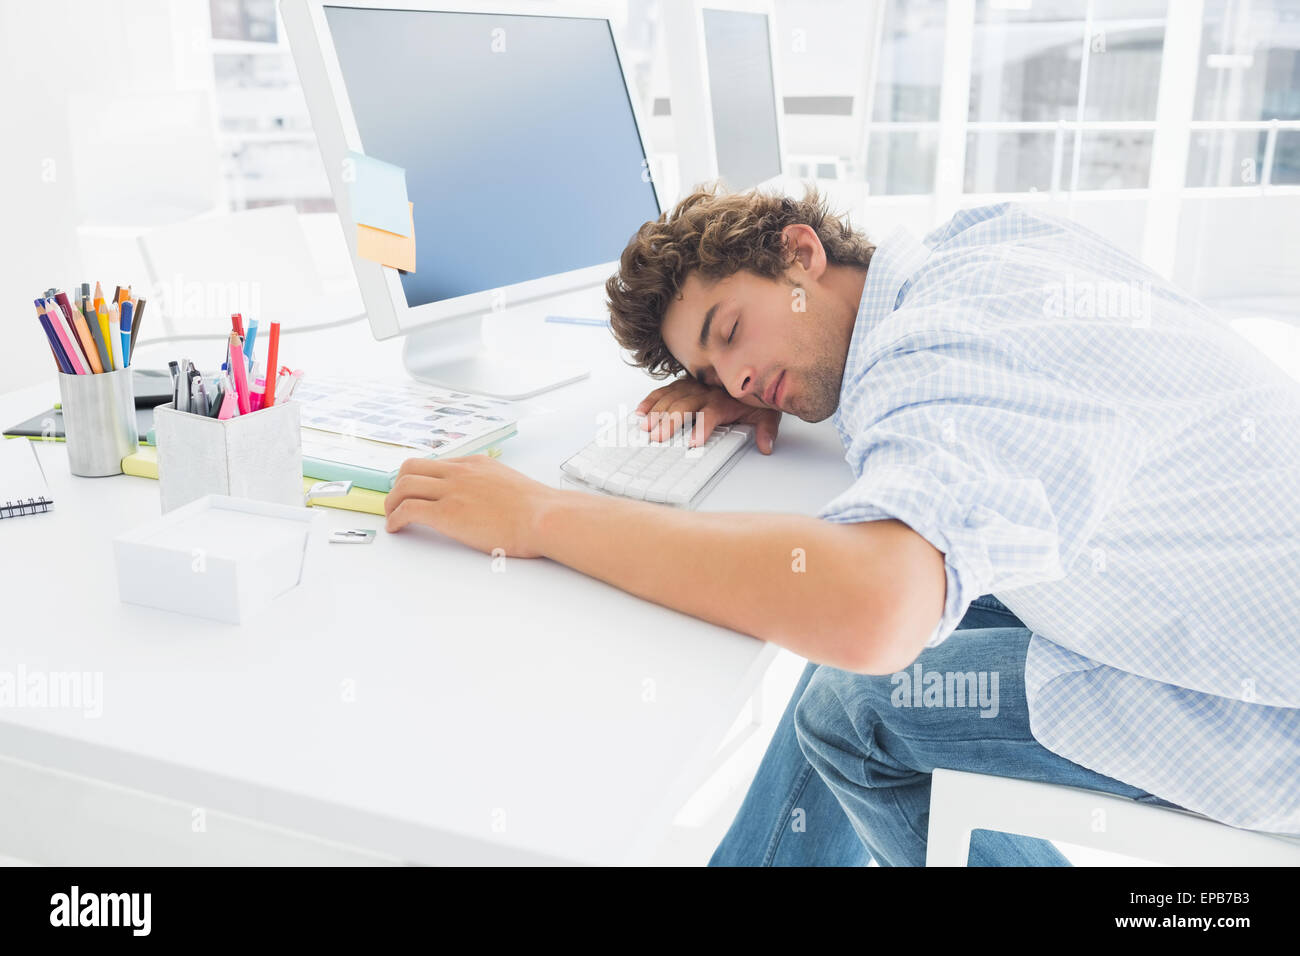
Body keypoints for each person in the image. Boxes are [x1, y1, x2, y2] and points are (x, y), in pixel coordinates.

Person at [384, 187, 1300, 863]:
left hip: (1269, 707)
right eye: (714, 368)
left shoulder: (942, 351)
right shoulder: (976, 254)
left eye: (731, 330)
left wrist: (543, 515)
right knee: (834, 643)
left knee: (853, 706)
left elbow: (873, 607)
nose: (736, 380)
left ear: (800, 252)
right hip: (1217, 596)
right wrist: (755, 376)